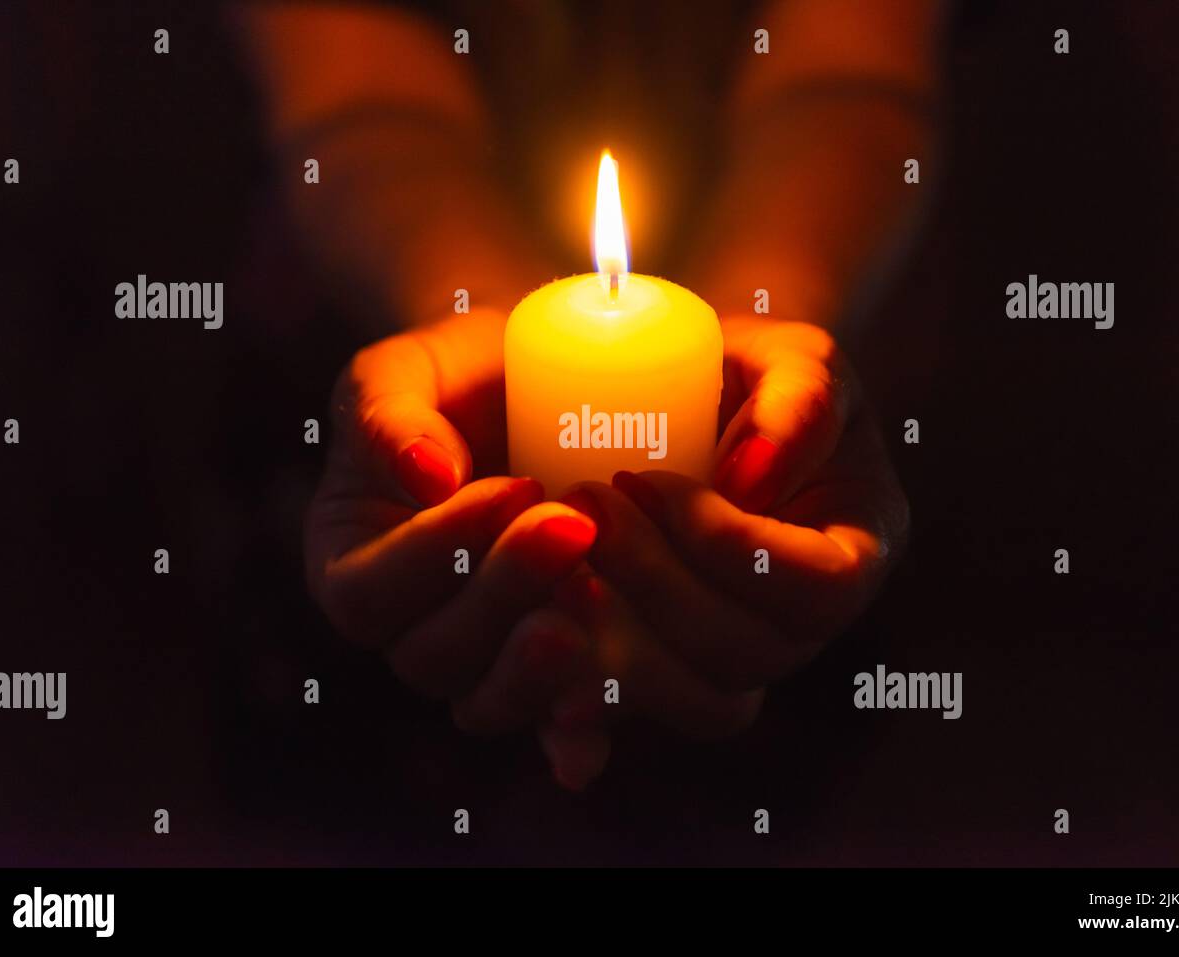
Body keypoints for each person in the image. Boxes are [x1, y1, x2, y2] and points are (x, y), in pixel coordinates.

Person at [234, 0, 941, 790]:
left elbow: (843, 82)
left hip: (780, 562)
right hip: (352, 456)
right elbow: (364, 107)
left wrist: (765, 328)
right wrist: (465, 314)